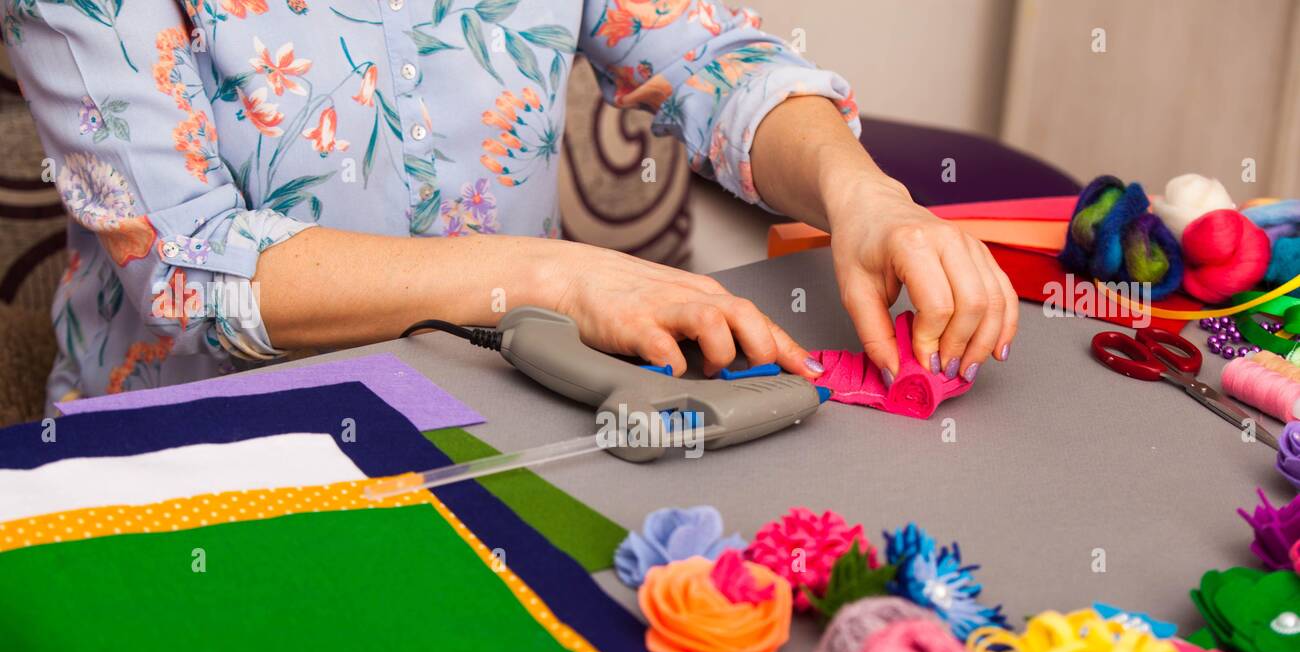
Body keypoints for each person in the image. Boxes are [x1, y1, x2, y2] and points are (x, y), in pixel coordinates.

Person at [4, 0, 1016, 411]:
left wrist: (863, 193)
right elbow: (190, 271)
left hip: (503, 416)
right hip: (188, 466)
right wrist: (546, 275)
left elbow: (707, 55)